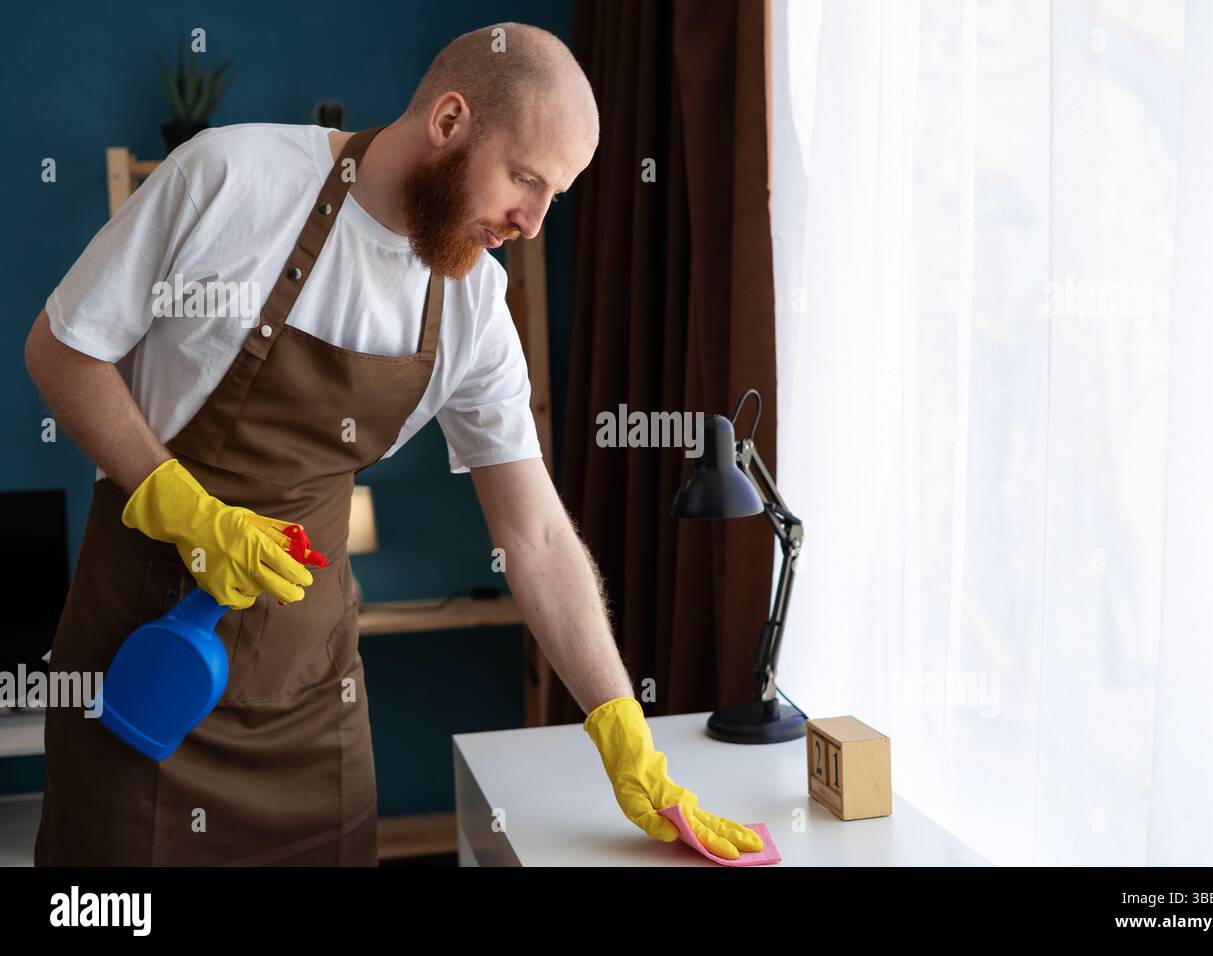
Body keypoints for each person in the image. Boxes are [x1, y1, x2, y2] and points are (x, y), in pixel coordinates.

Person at [23, 21, 762, 866]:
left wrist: (624, 736)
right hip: (143, 677)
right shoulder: (230, 178)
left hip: (310, 706)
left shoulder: (477, 308)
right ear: (449, 120)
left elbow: (537, 535)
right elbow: (61, 349)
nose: (532, 222)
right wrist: (180, 506)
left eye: (555, 194)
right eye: (524, 178)